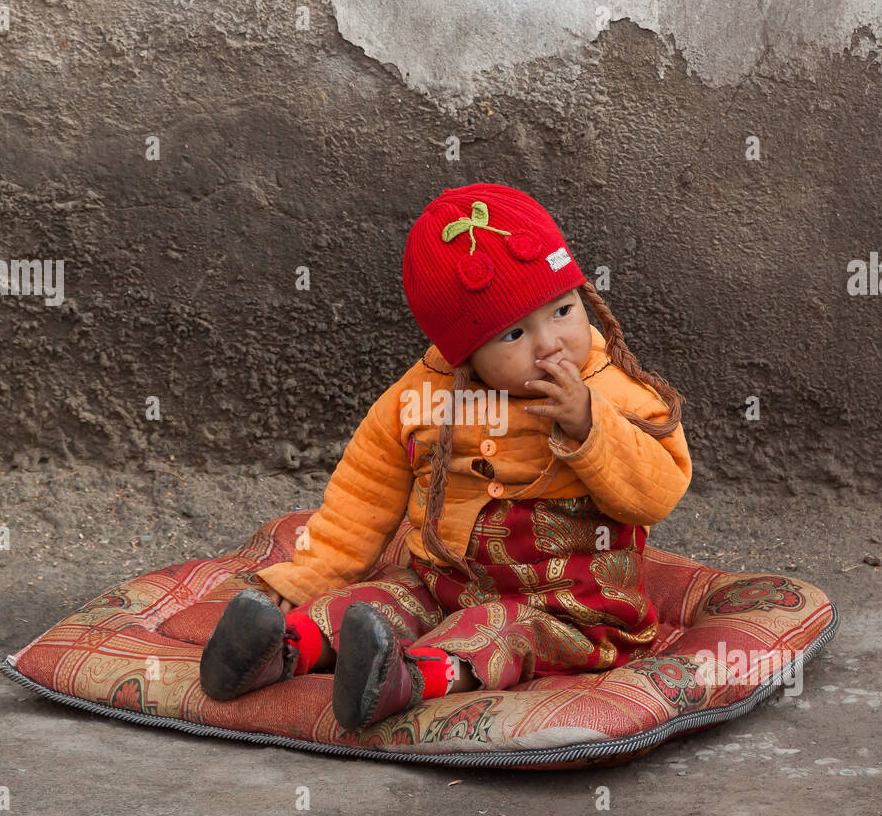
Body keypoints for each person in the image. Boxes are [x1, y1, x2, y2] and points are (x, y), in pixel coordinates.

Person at [199, 182, 691, 731]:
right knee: (378, 602)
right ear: (464, 354)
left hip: (572, 609)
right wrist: (310, 579)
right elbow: (362, 498)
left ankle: (409, 678)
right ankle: (277, 650)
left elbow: (658, 493)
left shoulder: (614, 388)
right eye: (513, 332)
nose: (550, 343)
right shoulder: (424, 396)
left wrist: (588, 425)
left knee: (500, 629)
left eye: (563, 309)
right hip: (444, 583)